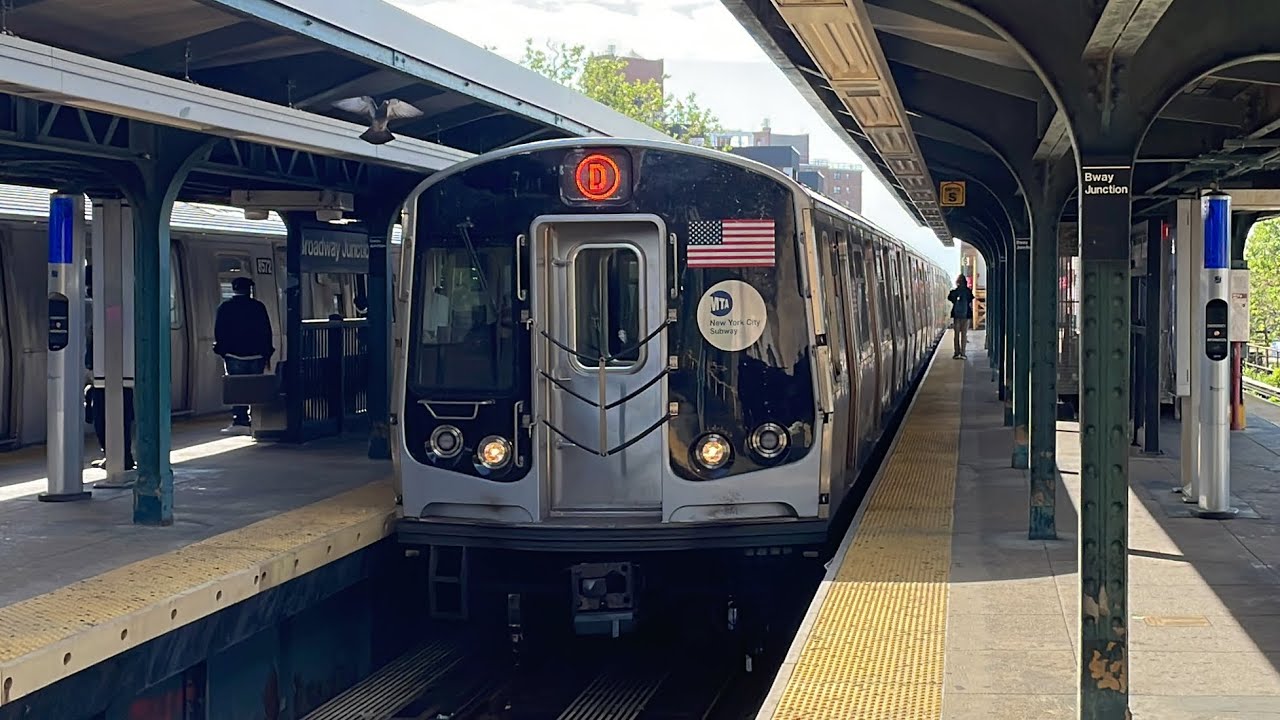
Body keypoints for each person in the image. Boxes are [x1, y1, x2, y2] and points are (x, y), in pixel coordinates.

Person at [214, 277, 274, 434]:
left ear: (234, 289)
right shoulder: (258, 307)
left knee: (237, 388)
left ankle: (240, 419)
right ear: (249, 290)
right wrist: (267, 354)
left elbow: (219, 332)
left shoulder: (225, 307)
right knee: (254, 388)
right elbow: (266, 331)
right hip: (256, 356)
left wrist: (223, 351)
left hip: (233, 356)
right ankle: (256, 418)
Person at [947, 275, 975, 359]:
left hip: (956, 316)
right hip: (966, 316)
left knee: (956, 335)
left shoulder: (954, 292)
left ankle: (956, 353)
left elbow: (950, 298)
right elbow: (970, 299)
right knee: (964, 335)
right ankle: (963, 353)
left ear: (958, 282)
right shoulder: (968, 292)